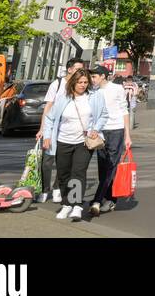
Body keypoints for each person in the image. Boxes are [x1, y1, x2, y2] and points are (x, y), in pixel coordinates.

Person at [42, 68, 108, 221]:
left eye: (85, 82)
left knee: (78, 172)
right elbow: (50, 118)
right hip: (63, 141)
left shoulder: (95, 96)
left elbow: (104, 115)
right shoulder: (64, 98)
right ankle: (67, 204)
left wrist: (96, 129)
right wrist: (47, 136)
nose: (83, 85)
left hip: (83, 143)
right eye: (80, 82)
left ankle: (77, 205)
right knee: (64, 174)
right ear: (73, 83)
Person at [37, 58, 85, 202]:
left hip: (68, 130)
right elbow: (48, 107)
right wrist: (42, 129)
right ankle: (44, 189)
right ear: (70, 69)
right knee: (47, 160)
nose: (80, 72)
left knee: (64, 162)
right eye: (77, 69)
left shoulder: (81, 86)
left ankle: (57, 187)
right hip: (53, 127)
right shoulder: (57, 84)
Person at [88, 65, 130, 216]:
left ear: (103, 76)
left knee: (112, 165)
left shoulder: (117, 89)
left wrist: (127, 135)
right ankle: (109, 197)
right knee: (102, 166)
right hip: (100, 131)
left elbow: (125, 110)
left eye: (94, 76)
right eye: (91, 77)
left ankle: (99, 199)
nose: (92, 79)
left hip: (116, 130)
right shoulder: (93, 91)